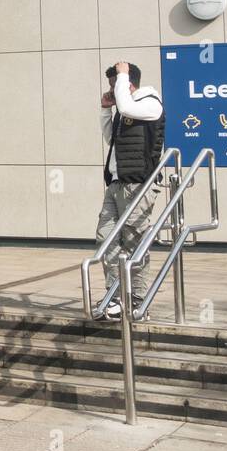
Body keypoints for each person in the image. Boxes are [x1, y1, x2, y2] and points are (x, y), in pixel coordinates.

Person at [97, 61, 164, 321]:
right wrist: (105, 109)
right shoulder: (124, 110)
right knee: (106, 239)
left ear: (129, 83)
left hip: (138, 184)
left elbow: (126, 105)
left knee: (136, 243)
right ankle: (114, 299)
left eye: (115, 85)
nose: (113, 90)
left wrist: (122, 75)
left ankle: (138, 300)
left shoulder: (150, 103)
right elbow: (110, 140)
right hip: (116, 183)